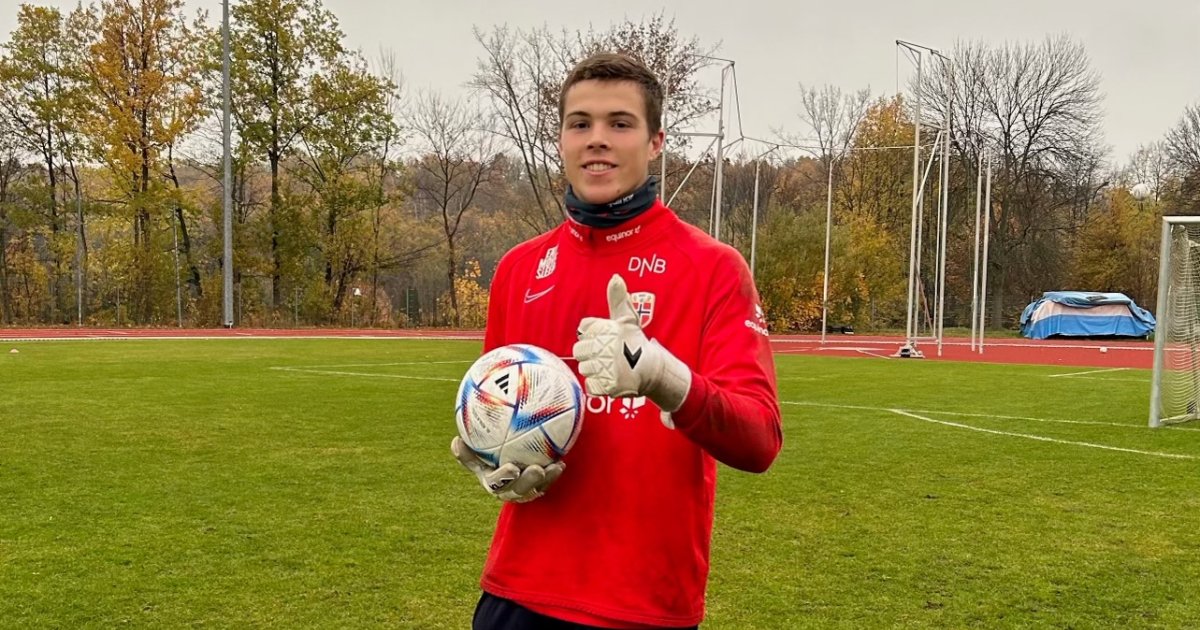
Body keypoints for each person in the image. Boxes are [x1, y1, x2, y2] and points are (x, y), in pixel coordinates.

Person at [452, 52, 783, 630]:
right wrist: (492, 461)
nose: (597, 140)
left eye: (619, 123)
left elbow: (760, 440)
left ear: (655, 141)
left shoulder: (713, 269)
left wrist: (663, 377)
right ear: (560, 139)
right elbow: (499, 407)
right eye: (580, 123)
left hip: (643, 607)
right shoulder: (519, 270)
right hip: (516, 595)